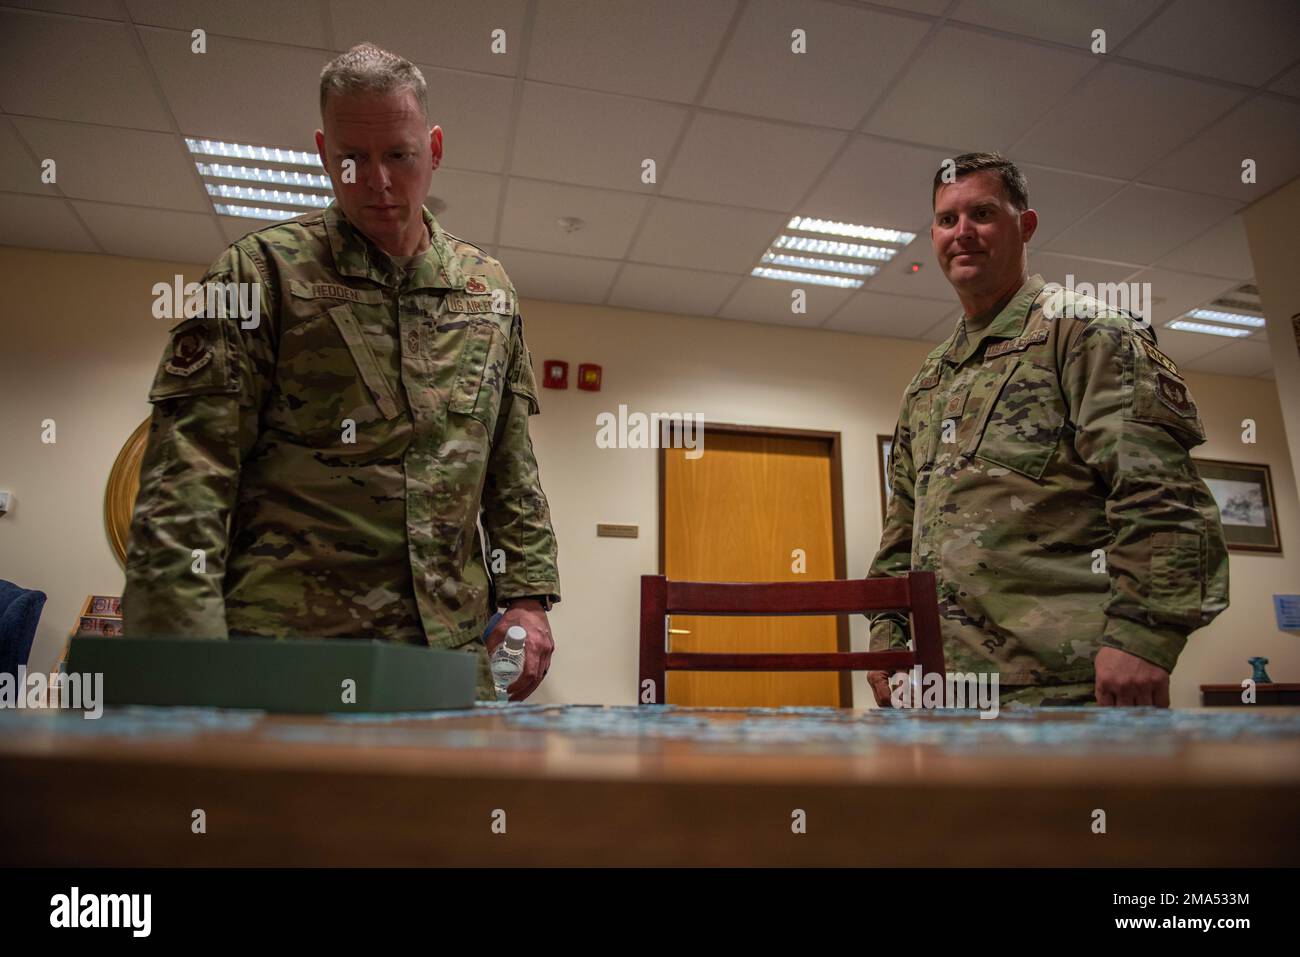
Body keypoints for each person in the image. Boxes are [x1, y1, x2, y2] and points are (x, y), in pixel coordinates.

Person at [122, 43, 559, 701]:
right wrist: (180, 676)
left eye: (399, 155)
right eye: (353, 158)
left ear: (434, 149)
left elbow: (510, 463)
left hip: (448, 660)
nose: (377, 181)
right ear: (325, 152)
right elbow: (187, 482)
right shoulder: (258, 276)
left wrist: (526, 597)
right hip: (288, 659)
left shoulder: (488, 291)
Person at [867, 152, 1227, 708]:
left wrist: (1143, 638)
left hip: (1067, 690)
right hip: (945, 695)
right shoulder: (929, 380)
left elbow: (1162, 500)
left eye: (982, 213)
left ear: (1024, 225)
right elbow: (902, 529)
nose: (962, 233)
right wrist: (887, 643)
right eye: (946, 220)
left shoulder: (1086, 336)